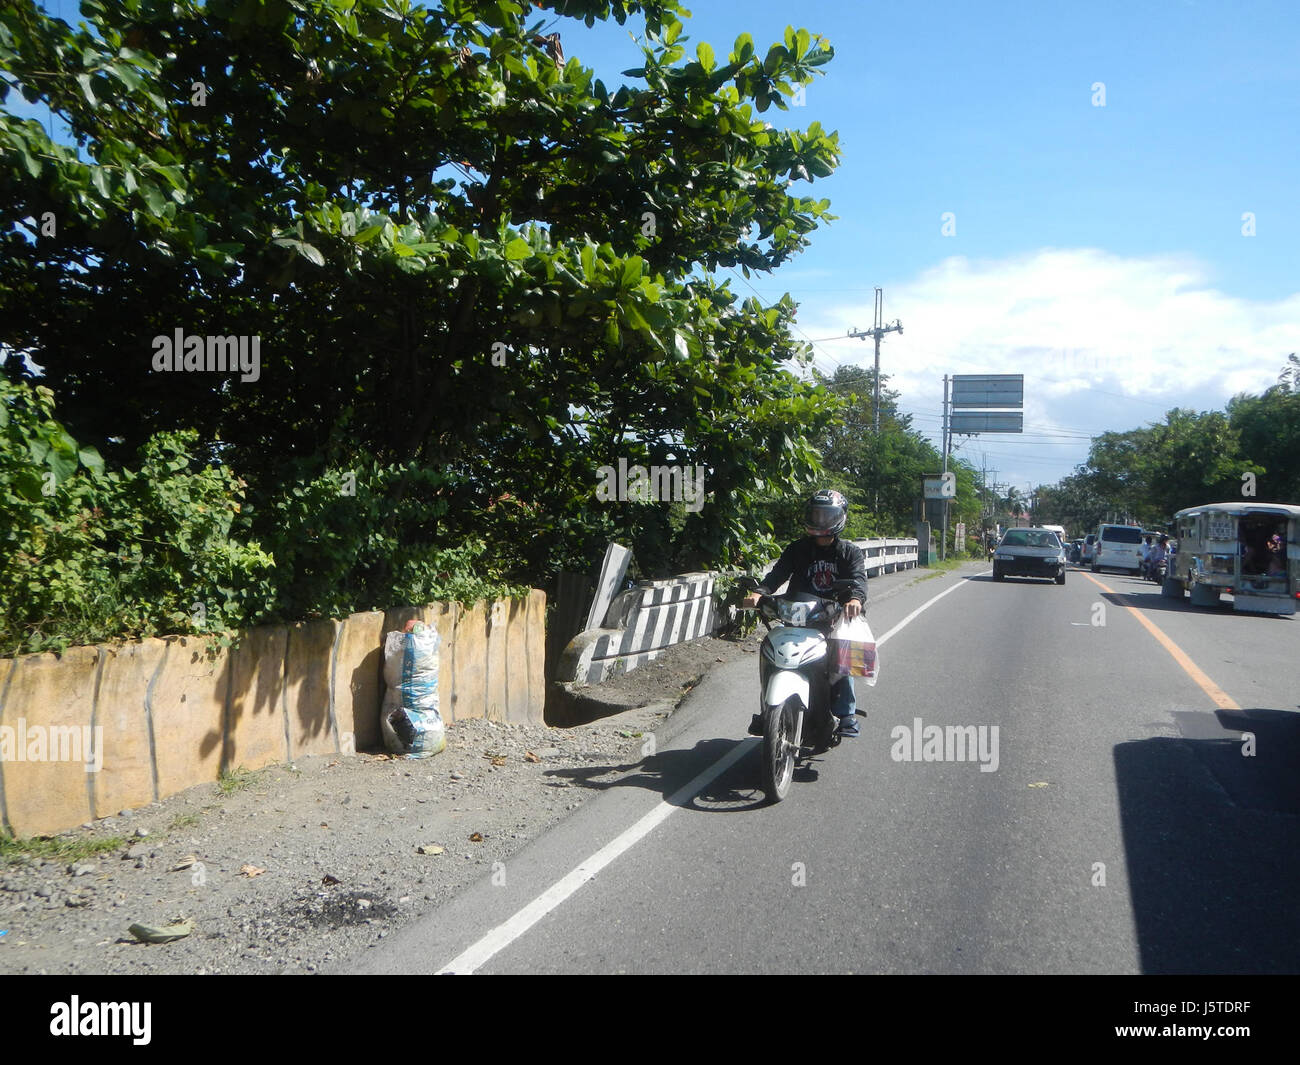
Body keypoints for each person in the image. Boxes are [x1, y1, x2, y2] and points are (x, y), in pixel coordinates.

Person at [741, 489, 868, 738]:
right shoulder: (797, 549)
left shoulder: (849, 552)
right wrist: (758, 593)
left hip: (833, 617)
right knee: (771, 649)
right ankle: (768, 709)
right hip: (797, 617)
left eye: (826, 515)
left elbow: (859, 580)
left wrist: (855, 598)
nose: (820, 521)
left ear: (839, 517)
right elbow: (777, 574)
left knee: (842, 655)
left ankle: (846, 714)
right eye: (816, 515)